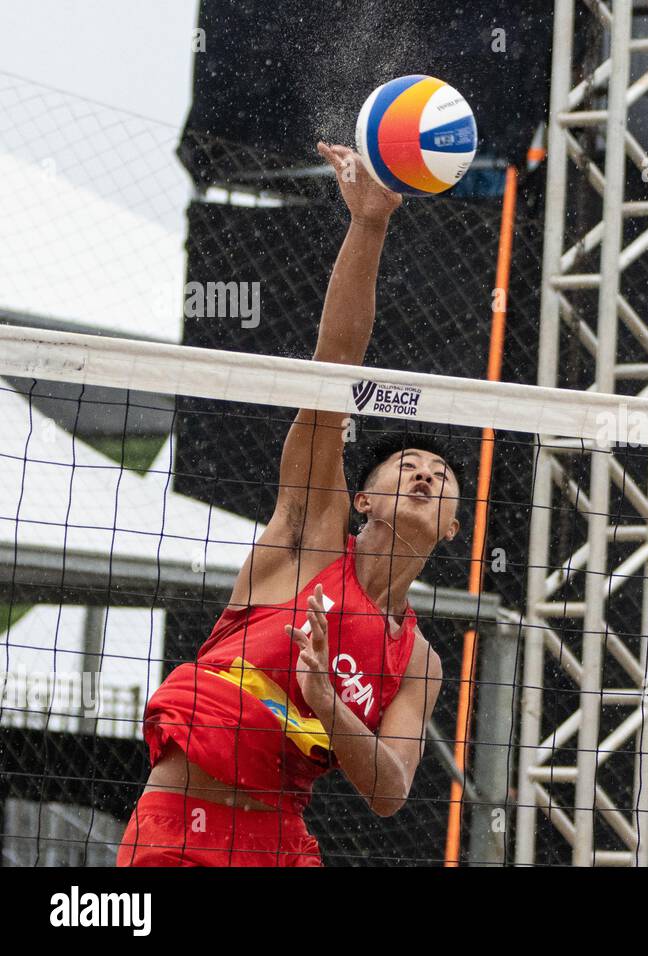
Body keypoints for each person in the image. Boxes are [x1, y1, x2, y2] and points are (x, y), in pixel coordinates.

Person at [117, 143, 460, 866]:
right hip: (181, 830)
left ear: (454, 527)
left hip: (279, 845)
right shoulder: (310, 536)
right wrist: (369, 225)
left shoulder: (420, 661)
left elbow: (389, 790)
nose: (427, 475)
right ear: (362, 499)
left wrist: (326, 701)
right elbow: (335, 364)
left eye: (442, 475)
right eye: (408, 466)